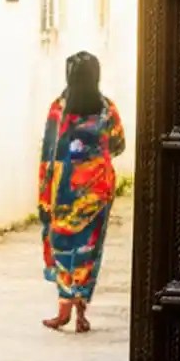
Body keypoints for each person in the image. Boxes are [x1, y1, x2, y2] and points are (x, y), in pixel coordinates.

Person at [38, 51, 126, 333]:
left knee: (63, 247)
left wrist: (43, 194)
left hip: (64, 191)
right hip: (98, 191)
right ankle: (80, 311)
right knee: (89, 250)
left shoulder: (59, 109)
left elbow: (48, 152)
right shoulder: (107, 109)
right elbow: (118, 144)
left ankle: (64, 308)